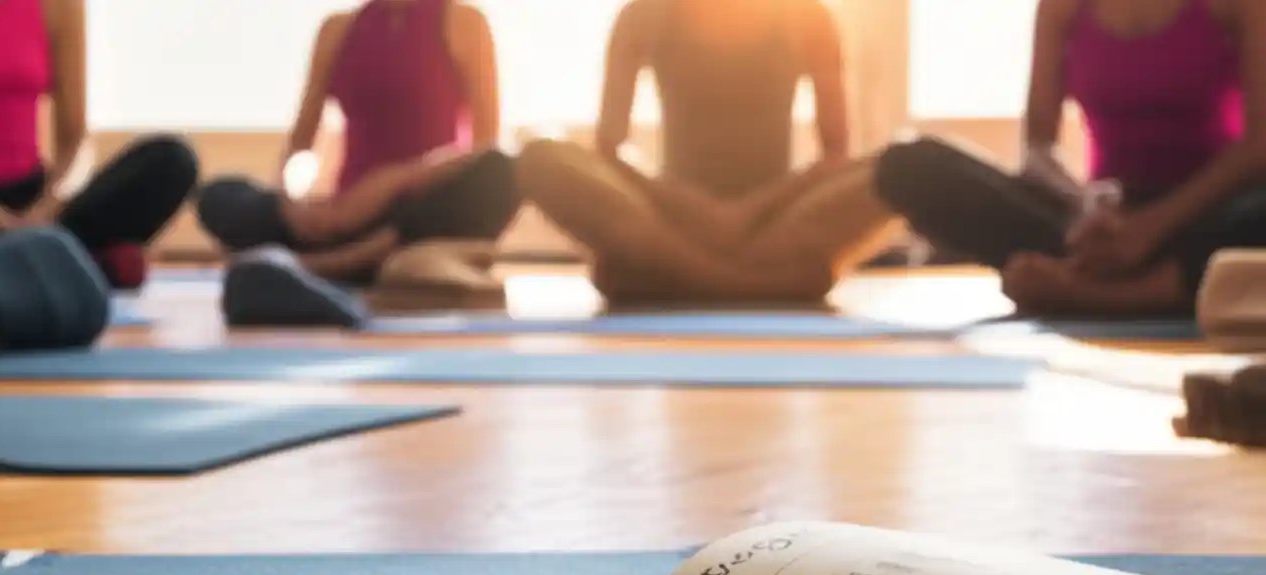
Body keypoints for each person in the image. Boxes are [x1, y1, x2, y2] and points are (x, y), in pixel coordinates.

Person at [874, 0, 1266, 318]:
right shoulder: (1062, 8)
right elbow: (1039, 148)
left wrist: (1149, 229)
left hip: (1209, 214)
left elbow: (1258, 146)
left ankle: (1109, 294)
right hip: (1097, 228)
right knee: (908, 164)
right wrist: (1085, 205)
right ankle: (1154, 282)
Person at [516, 0, 895, 306]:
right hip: (670, 219)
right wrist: (686, 204)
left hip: (773, 222)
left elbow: (836, 154)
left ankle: (675, 275)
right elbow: (611, 148)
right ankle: (750, 283)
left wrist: (752, 210)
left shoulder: (808, 17)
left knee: (904, 163)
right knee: (542, 155)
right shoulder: (644, 14)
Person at [197, 0, 521, 314]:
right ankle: (349, 262)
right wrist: (294, 201)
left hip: (419, 213)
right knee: (218, 194)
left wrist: (394, 182)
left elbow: (486, 147)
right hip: (344, 220)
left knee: (500, 171)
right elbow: (301, 144)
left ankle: (334, 265)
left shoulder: (463, 21)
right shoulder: (338, 29)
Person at [0, 0, 199, 290]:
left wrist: (47, 208)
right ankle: (75, 264)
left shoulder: (58, 6)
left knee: (172, 160)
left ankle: (35, 263)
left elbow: (76, 141)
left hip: (33, 201)